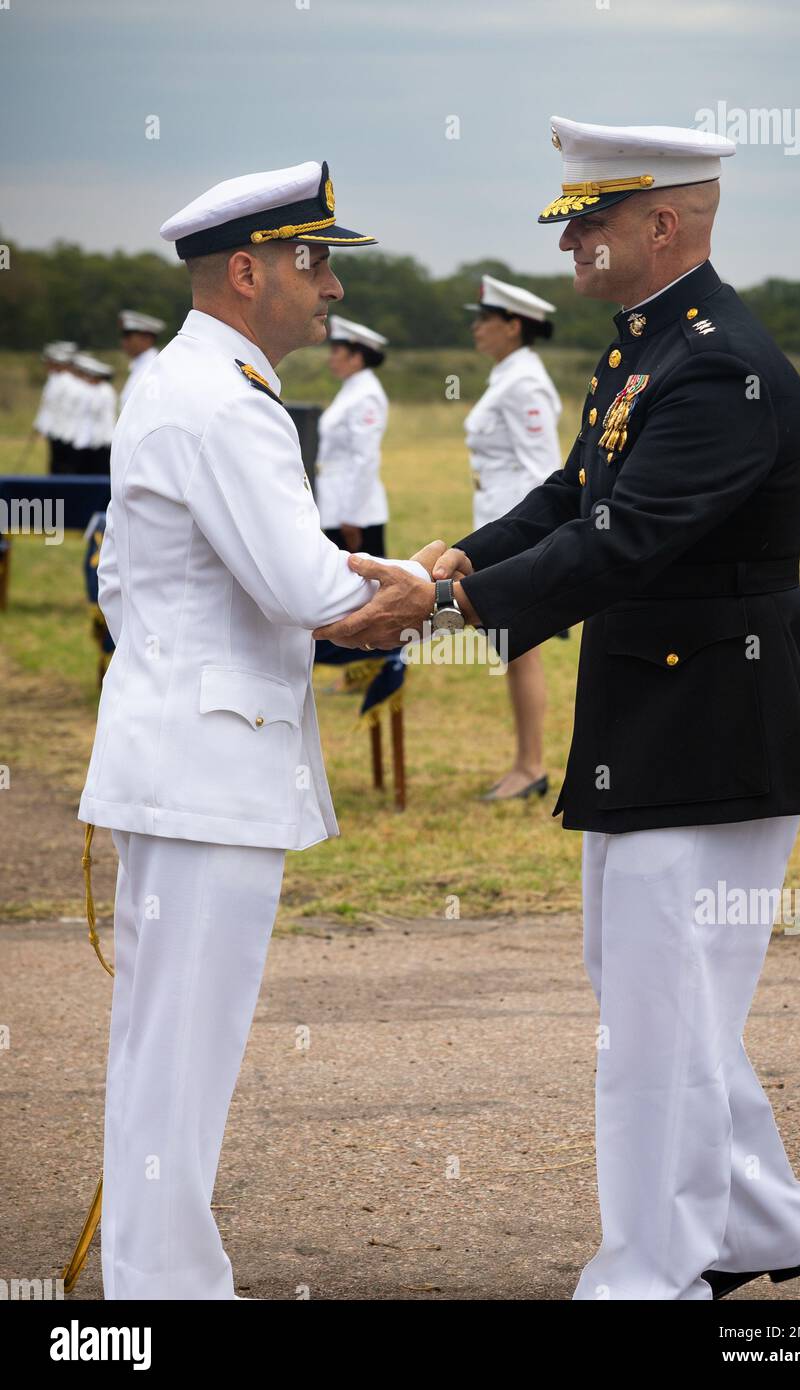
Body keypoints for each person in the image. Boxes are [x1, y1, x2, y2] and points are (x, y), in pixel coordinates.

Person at [314, 116, 800, 1301]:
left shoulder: (720, 363)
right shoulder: (644, 347)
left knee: (660, 1012)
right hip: (657, 723)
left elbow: (628, 539)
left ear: (662, 222)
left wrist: (440, 611)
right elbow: (568, 496)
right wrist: (452, 565)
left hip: (712, 728)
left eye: (588, 224)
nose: (571, 249)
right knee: (657, 992)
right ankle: (759, 1222)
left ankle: (653, 1271)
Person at [77, 156, 437, 1300]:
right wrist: (417, 593)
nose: (328, 289)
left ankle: (158, 1279)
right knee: (181, 1054)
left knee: (165, 1050)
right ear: (248, 271)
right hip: (206, 765)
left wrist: (370, 586)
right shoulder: (223, 398)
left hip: (182, 754)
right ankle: (164, 1293)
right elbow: (308, 589)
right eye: (312, 261)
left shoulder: (186, 381)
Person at [463, 274, 562, 800]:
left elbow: (545, 472)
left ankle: (531, 767)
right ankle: (525, 764)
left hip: (515, 535)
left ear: (513, 325)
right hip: (497, 527)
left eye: (485, 319)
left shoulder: (524, 382)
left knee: (520, 648)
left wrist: (526, 546)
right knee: (510, 648)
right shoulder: (508, 374)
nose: (477, 329)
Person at [316, 314, 390, 557]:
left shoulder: (365, 395)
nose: (332, 357)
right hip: (338, 506)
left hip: (356, 515)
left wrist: (352, 516)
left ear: (357, 358)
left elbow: (365, 457)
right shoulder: (352, 389)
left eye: (337, 350)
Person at [31, 341, 78, 473]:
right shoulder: (56, 379)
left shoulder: (64, 380)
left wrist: (41, 425)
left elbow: (54, 407)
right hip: (58, 430)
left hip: (63, 431)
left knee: (62, 466)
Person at [70, 353, 117, 473]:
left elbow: (94, 411)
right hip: (92, 438)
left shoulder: (105, 390)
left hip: (102, 439)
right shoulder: (95, 390)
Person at [118, 310, 166, 411]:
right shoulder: (141, 366)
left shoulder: (152, 368)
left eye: (128, 335)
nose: (123, 341)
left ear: (147, 338)